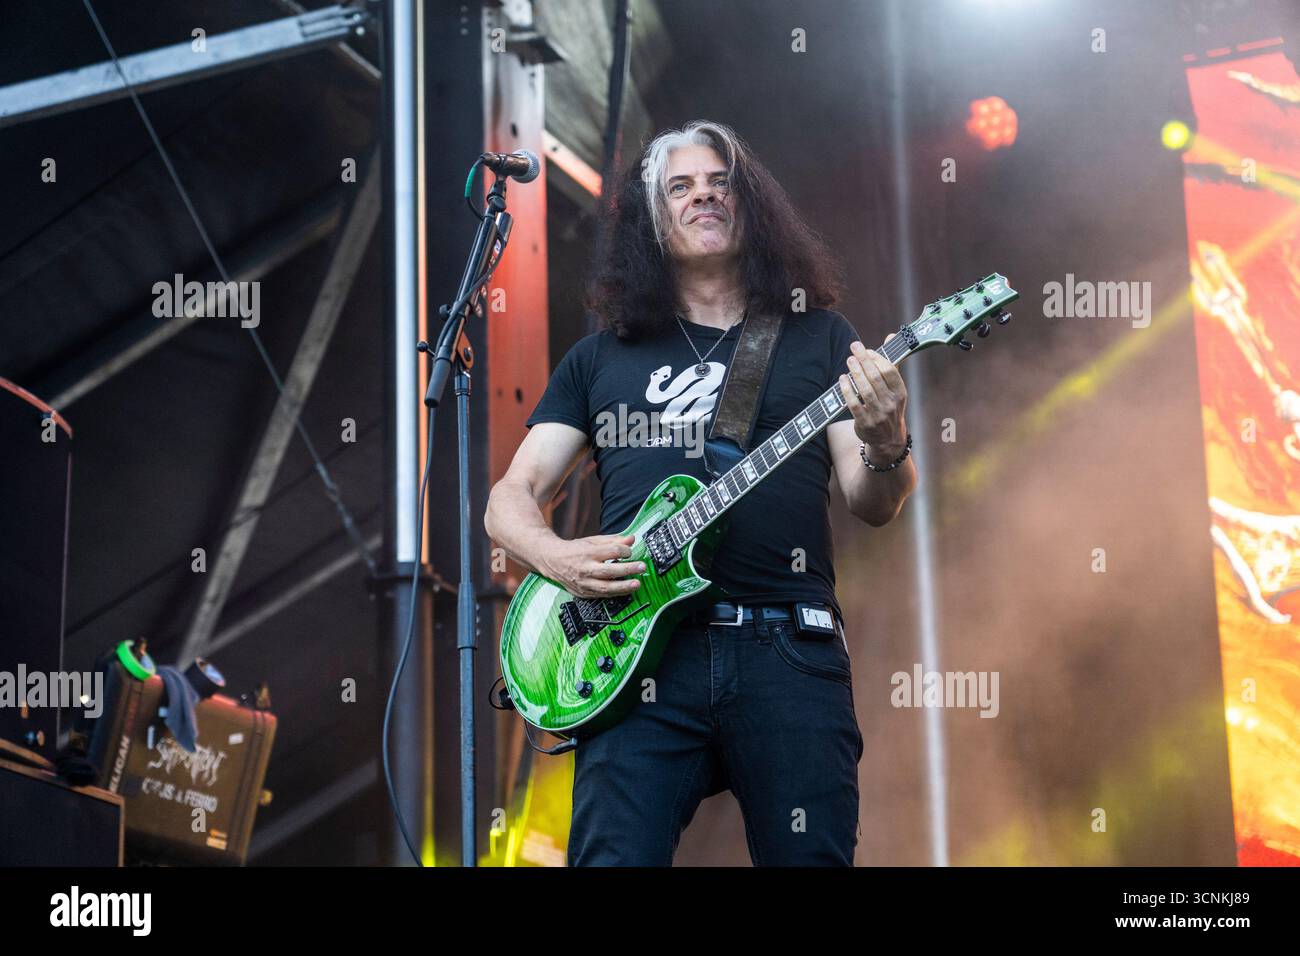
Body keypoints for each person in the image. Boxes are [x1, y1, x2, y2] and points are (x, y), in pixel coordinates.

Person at [484, 120, 917, 866]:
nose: (702, 197)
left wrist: (887, 439)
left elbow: (873, 499)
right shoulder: (600, 357)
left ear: (751, 206)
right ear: (653, 219)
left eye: (720, 183)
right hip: (635, 656)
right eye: (679, 187)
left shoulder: (820, 338)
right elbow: (508, 498)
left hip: (789, 647)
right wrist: (554, 559)